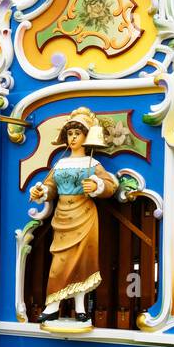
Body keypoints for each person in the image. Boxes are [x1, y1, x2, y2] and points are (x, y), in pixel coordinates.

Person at [30, 107, 117, 323]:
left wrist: (96, 185)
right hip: (62, 216)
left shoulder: (93, 164)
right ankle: (53, 305)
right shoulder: (60, 164)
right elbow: (50, 186)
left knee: (83, 262)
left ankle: (80, 306)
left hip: (85, 214)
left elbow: (110, 185)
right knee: (59, 261)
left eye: (78, 133)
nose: (73, 137)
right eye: (70, 133)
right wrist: (41, 191)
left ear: (87, 136)